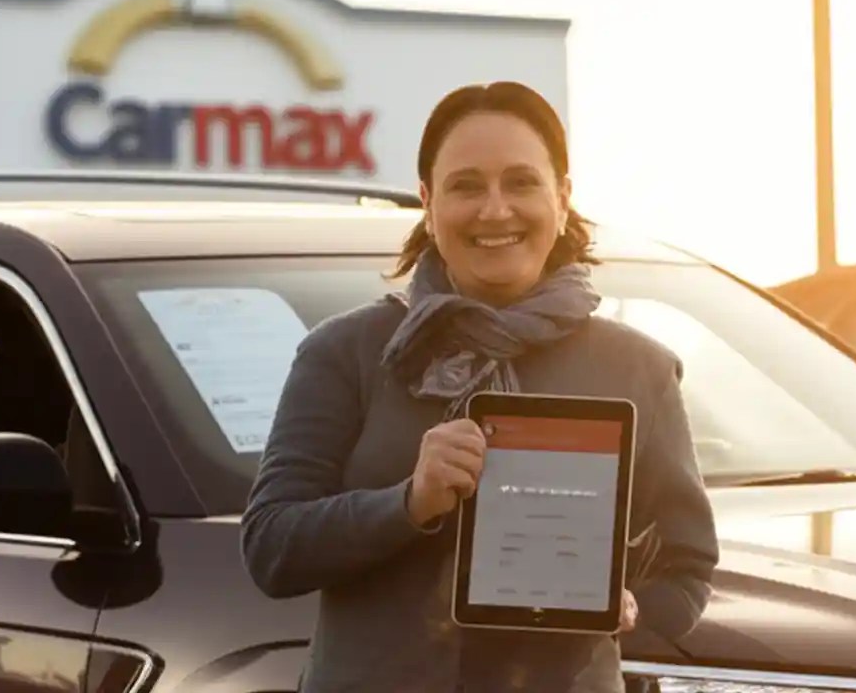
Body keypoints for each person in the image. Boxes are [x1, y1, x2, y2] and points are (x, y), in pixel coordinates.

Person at [240, 80, 719, 693]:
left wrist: (633, 610)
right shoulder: (347, 353)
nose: (495, 210)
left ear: (563, 196)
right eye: (466, 185)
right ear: (427, 202)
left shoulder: (638, 370)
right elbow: (271, 548)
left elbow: (689, 566)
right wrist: (409, 502)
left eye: (521, 182)